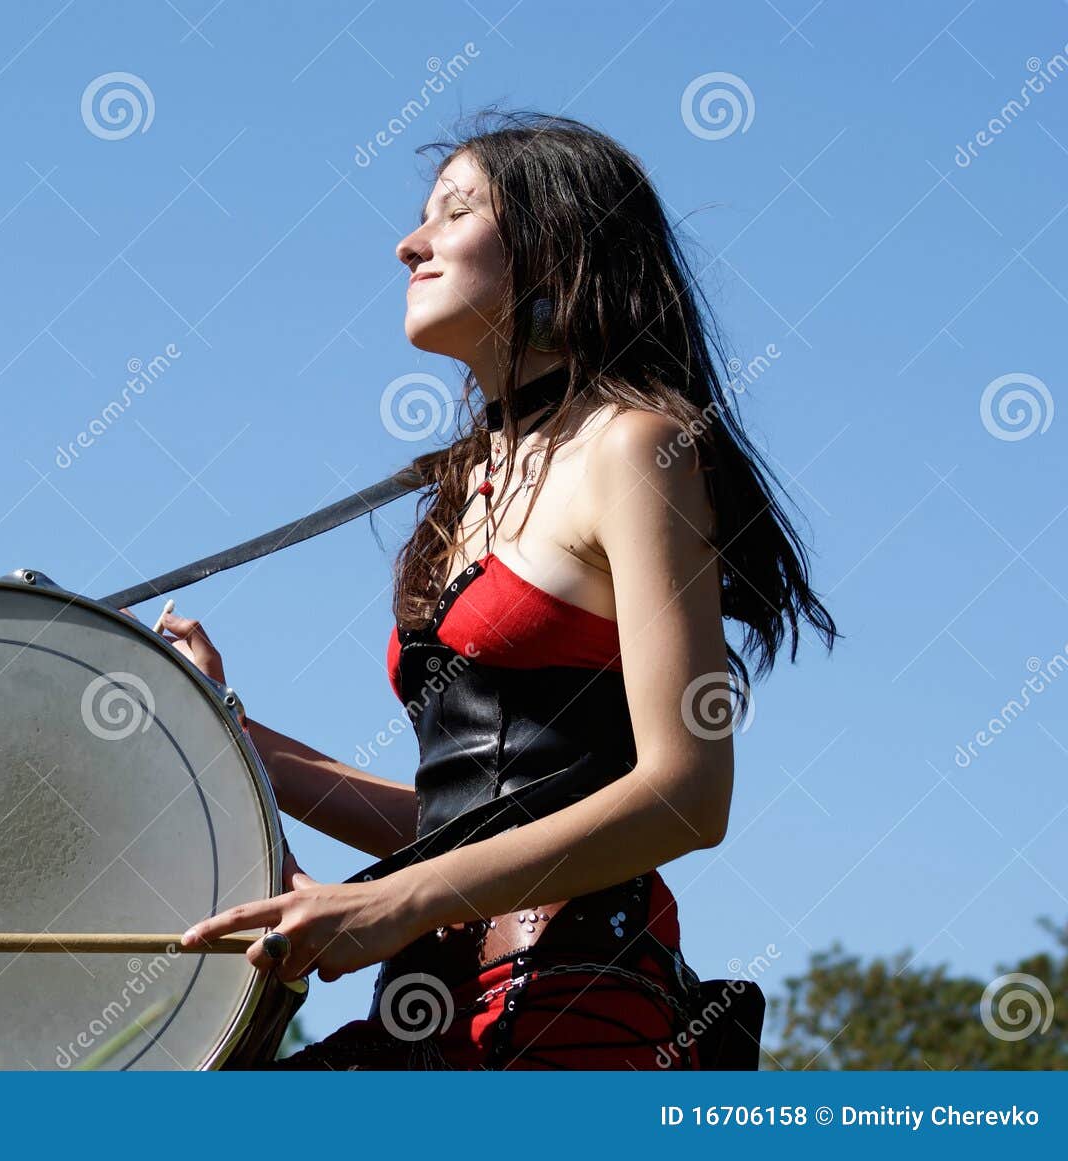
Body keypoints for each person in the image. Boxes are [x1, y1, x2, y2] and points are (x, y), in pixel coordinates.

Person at [151, 110, 839, 1069]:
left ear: (555, 252)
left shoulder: (638, 446)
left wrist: (390, 899)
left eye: (455, 212)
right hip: (428, 1002)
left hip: (566, 1011)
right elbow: (464, 825)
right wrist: (221, 727)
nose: (409, 241)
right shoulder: (464, 481)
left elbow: (687, 796)